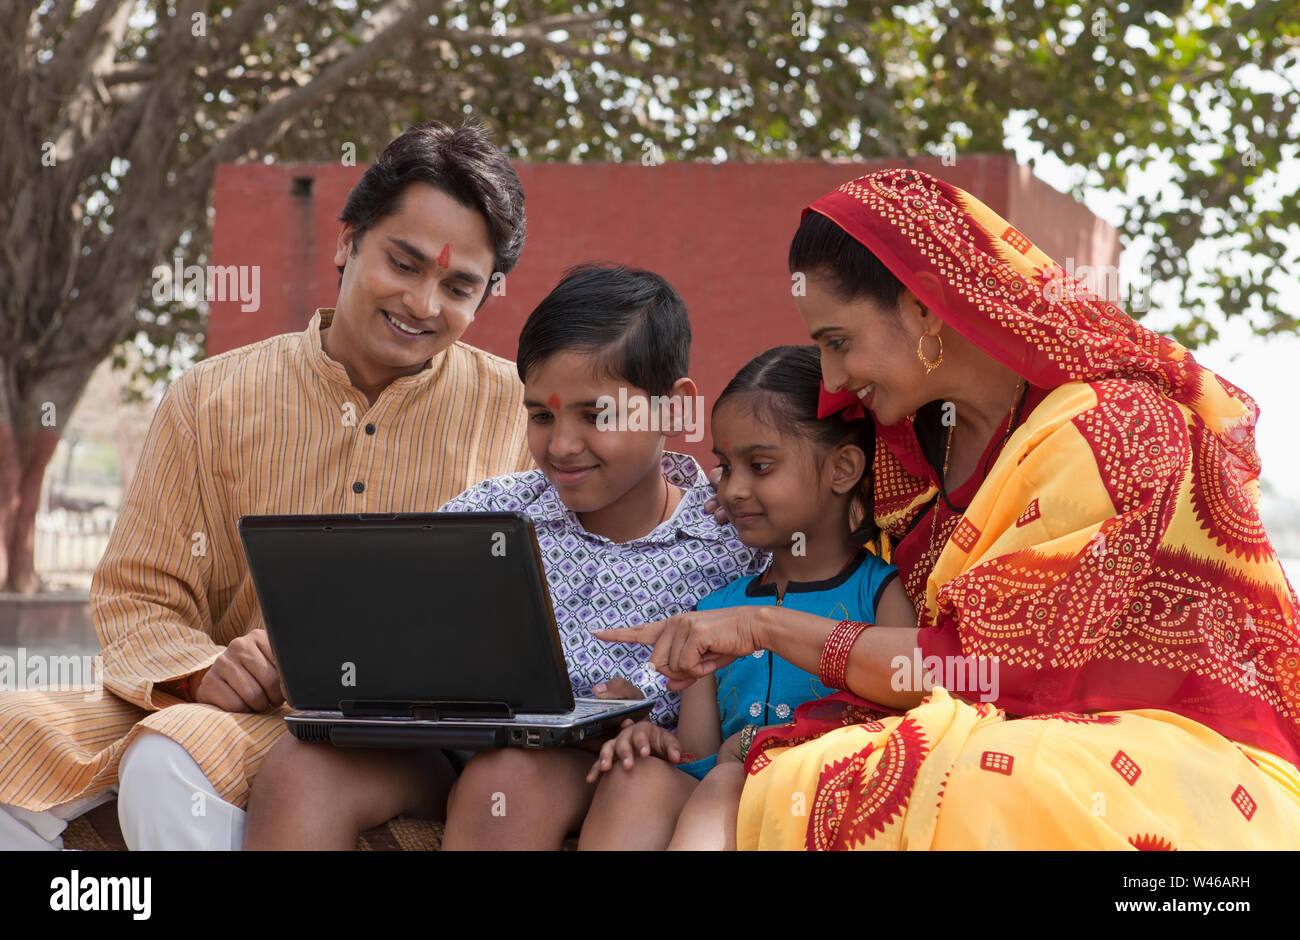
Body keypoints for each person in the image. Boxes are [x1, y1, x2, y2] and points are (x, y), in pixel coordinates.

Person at [600, 168, 1300, 849]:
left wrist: (761, 624)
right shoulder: (911, 443)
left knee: (986, 787)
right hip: (972, 715)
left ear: (924, 306)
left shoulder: (1115, 431)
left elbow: (990, 671)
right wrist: (742, 499)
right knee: (805, 771)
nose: (833, 380)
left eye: (838, 343)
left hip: (1163, 738)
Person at [0, 120, 534, 850]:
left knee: (168, 762)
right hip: (226, 710)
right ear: (348, 241)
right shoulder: (213, 397)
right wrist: (203, 670)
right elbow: (138, 594)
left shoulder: (519, 413)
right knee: (10, 738)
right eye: (404, 264)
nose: (423, 302)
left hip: (405, 743)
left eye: (458, 286)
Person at [242, 263, 764, 850]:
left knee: (509, 778)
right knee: (304, 763)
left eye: (596, 416)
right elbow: (396, 625)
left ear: (672, 408)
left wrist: (635, 703)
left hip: (609, 770)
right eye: (541, 415)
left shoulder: (736, 541)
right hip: (451, 751)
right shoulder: (488, 514)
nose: (561, 445)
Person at [581, 345, 914, 850]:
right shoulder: (712, 614)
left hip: (824, 795)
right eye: (726, 466)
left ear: (843, 469)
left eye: (759, 466)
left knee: (728, 780)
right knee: (637, 777)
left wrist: (767, 748)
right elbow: (699, 755)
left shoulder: (880, 592)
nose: (732, 489)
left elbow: (913, 711)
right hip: (719, 797)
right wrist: (651, 735)